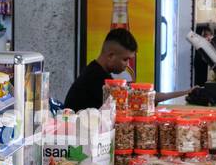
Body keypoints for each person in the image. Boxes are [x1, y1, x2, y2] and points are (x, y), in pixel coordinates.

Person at [63, 28, 194, 112]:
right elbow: (140, 99)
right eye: (125, 59)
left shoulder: (99, 73)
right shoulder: (96, 79)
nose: (127, 65)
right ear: (110, 56)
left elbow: (144, 96)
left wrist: (185, 93)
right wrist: (184, 93)